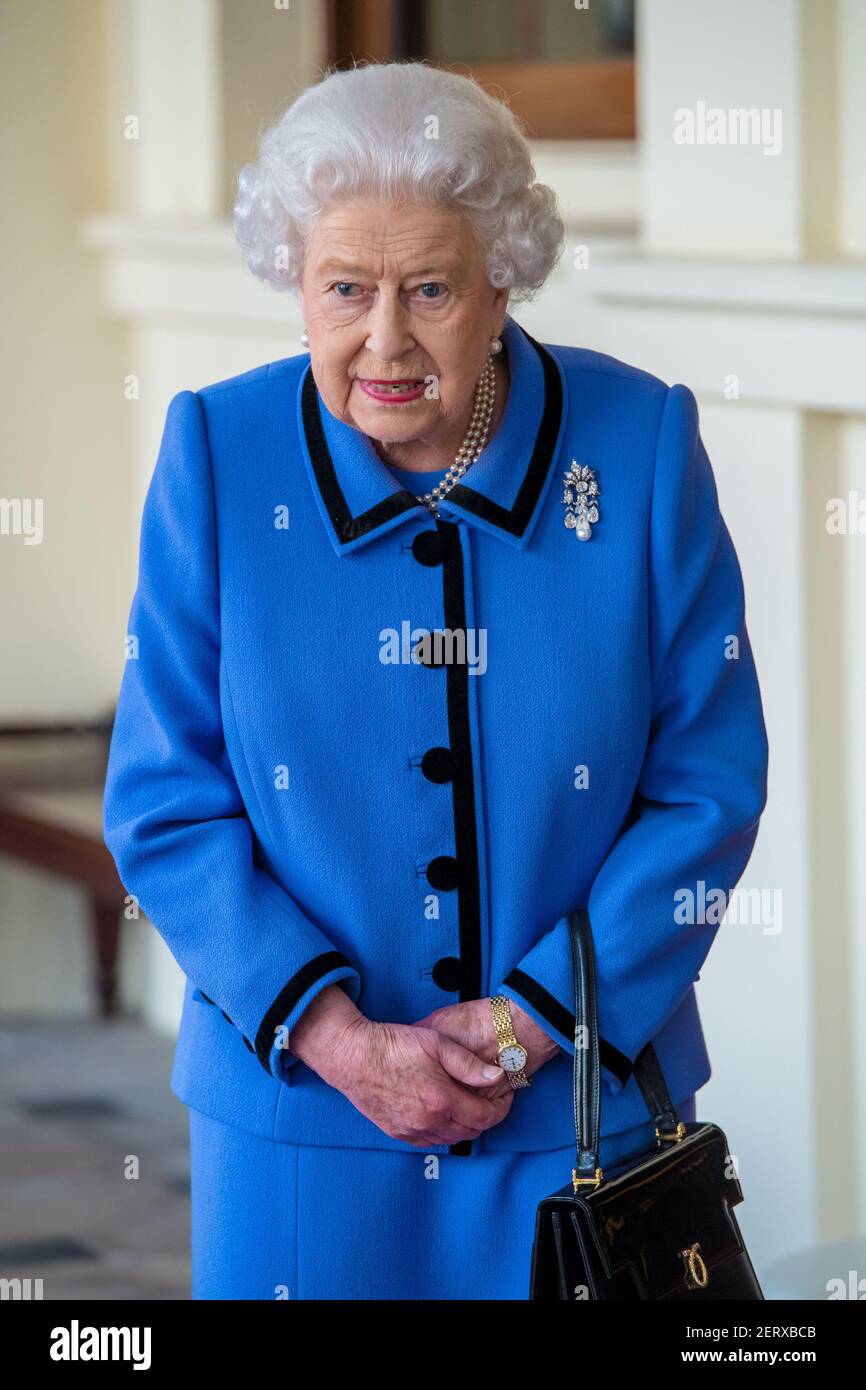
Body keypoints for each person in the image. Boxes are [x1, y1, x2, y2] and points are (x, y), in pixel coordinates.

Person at [102, 60, 769, 1301]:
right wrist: (334, 1034)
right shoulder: (218, 454)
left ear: (502, 275)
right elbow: (162, 800)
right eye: (342, 287)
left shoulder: (639, 445)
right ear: (292, 282)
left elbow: (705, 789)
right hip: (300, 1124)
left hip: (577, 1120)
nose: (384, 338)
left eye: (430, 288)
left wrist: (533, 1020)